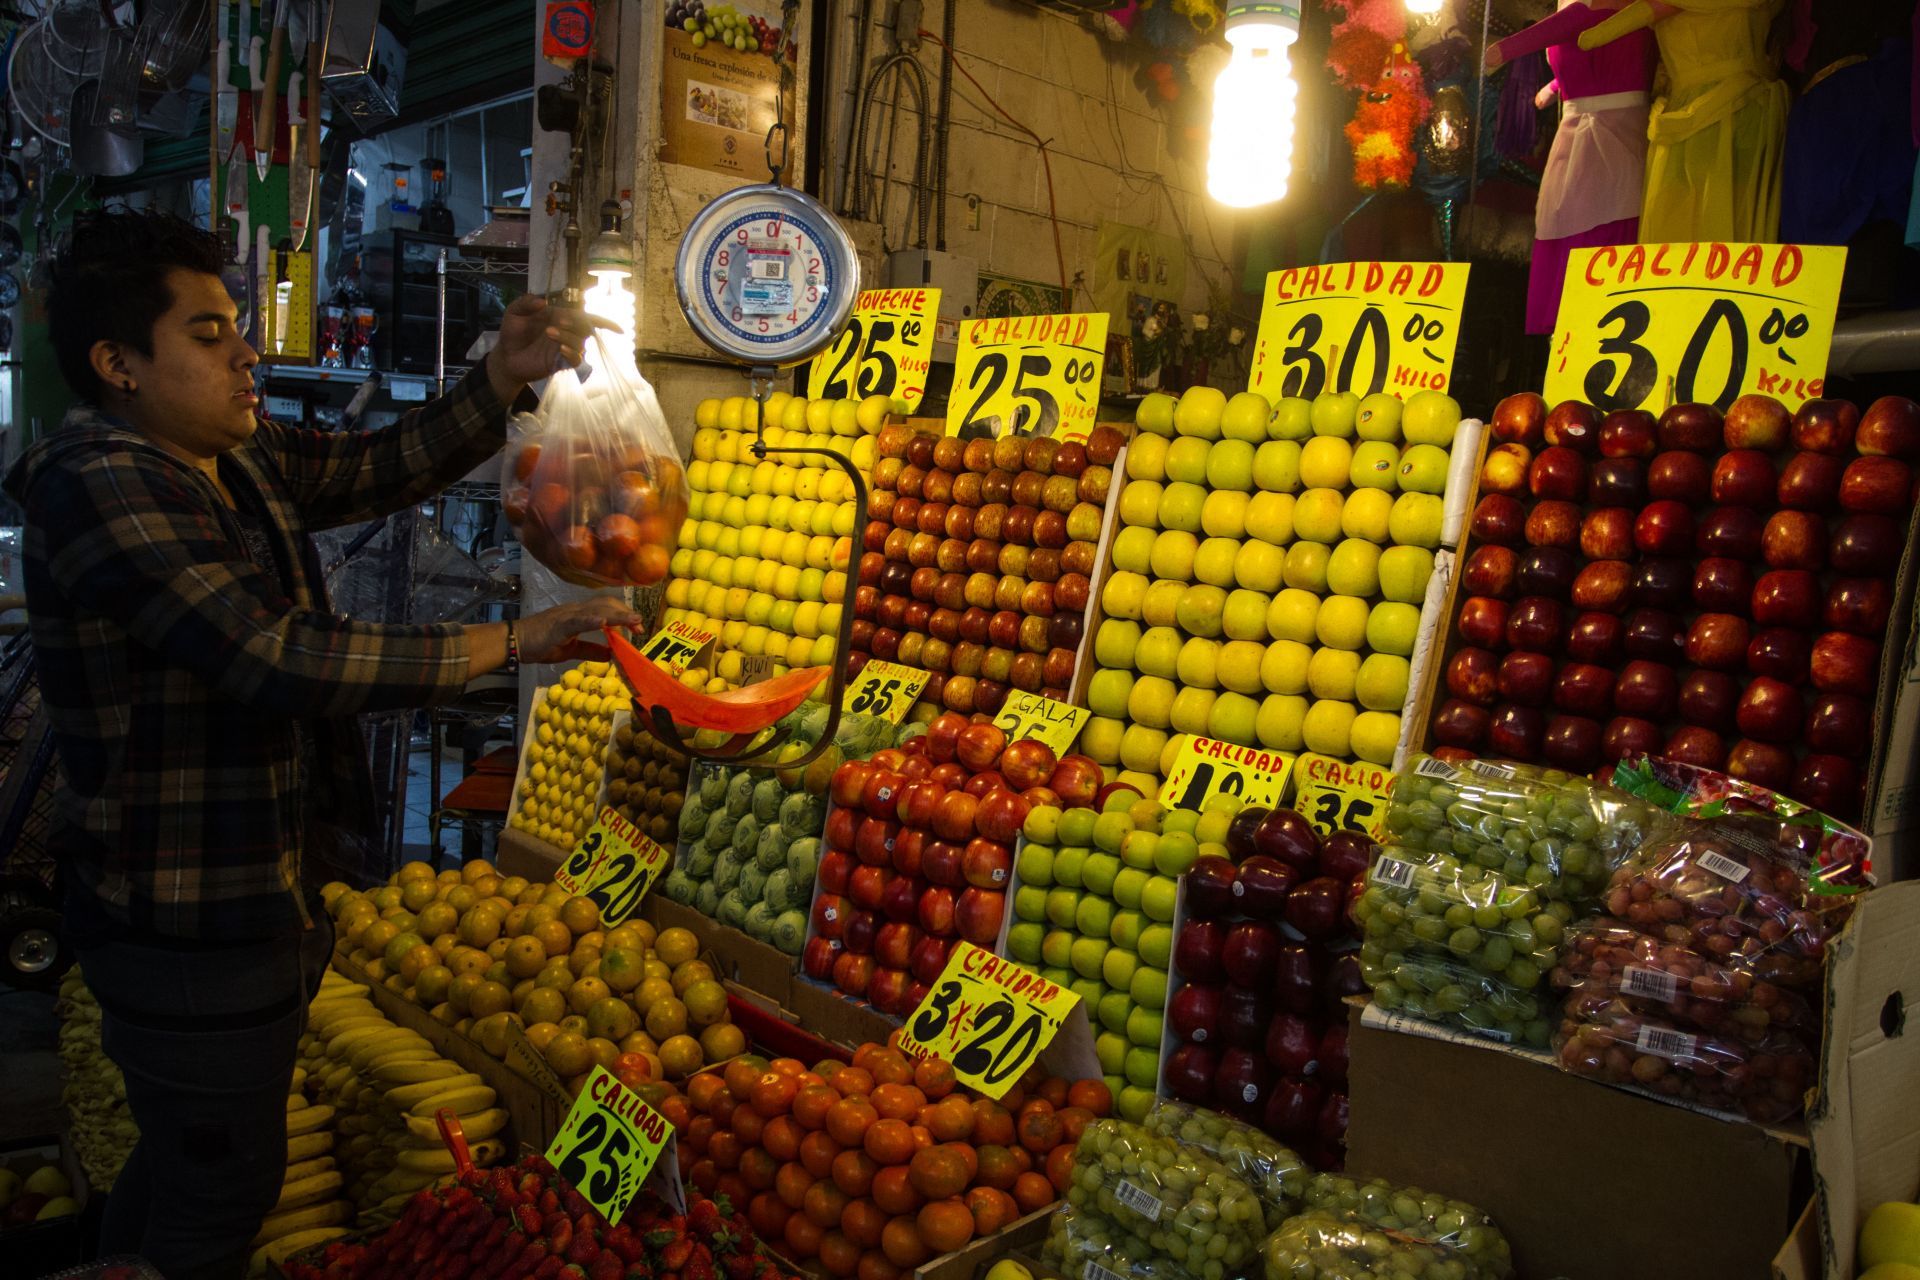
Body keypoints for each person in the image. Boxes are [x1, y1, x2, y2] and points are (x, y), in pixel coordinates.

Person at [2, 208, 638, 1280]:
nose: (247, 351)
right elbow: (276, 657)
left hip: (261, 900)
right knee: (221, 1192)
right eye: (208, 334)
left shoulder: (225, 458)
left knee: (180, 1170)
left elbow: (379, 464)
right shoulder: (101, 480)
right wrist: (508, 640)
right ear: (118, 364)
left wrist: (502, 379)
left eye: (238, 324)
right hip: (183, 916)